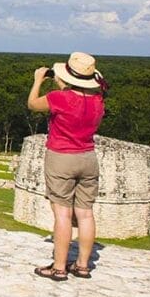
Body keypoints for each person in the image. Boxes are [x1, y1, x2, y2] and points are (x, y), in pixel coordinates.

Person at [27, 51, 108, 281]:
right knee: (85, 214)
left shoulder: (59, 98)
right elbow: (80, 101)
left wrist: (38, 80)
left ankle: (59, 267)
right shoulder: (98, 101)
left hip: (62, 157)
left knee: (62, 214)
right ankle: (82, 265)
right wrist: (63, 83)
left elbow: (32, 104)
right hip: (88, 157)